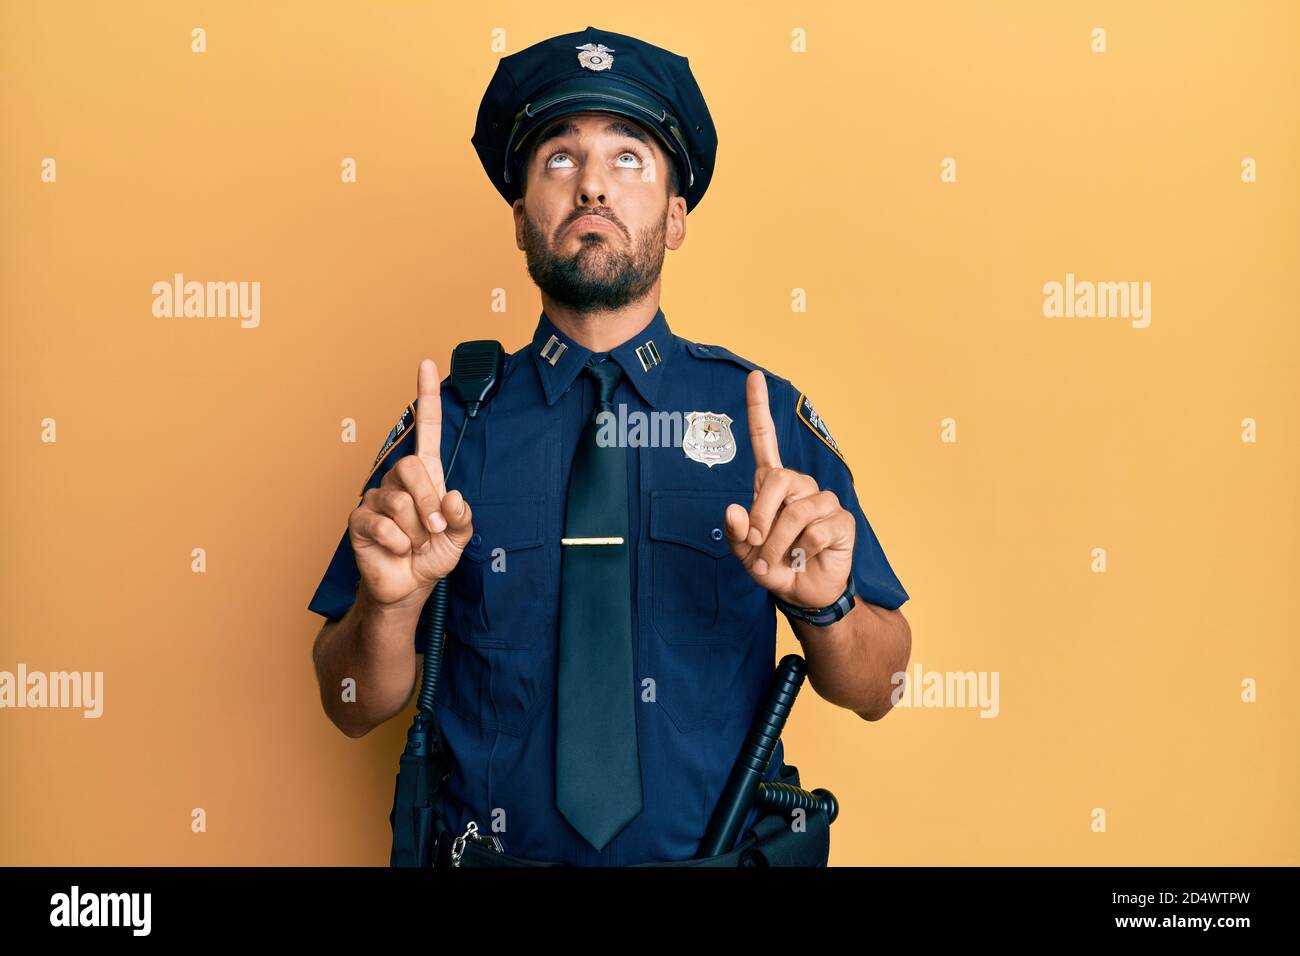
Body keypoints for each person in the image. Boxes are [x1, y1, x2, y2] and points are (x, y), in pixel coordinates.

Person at [308, 25, 911, 866]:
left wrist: (825, 609)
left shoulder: (762, 418)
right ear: (522, 218)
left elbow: (883, 688)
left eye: (628, 157)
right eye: (559, 158)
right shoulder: (448, 427)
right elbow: (350, 704)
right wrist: (390, 607)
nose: (593, 184)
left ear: (675, 214)